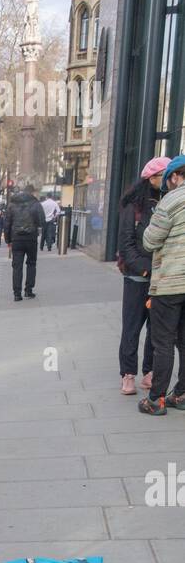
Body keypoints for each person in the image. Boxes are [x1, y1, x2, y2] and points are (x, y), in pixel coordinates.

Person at [117, 157, 170, 396]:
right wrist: (146, 269)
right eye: (163, 176)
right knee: (132, 327)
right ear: (151, 178)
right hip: (138, 278)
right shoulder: (134, 206)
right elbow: (126, 245)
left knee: (155, 329)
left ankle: (149, 372)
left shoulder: (169, 202)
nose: (168, 180)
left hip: (162, 278)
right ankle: (128, 374)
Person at [139, 155, 185, 415]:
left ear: (175, 177)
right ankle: (181, 394)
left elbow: (150, 240)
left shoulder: (171, 200)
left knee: (163, 342)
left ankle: (156, 400)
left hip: (170, 282)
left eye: (168, 180)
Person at [3, 181, 45, 300]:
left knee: (17, 266)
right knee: (31, 264)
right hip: (31, 238)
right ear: (32, 192)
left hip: (16, 239)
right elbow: (42, 220)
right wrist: (36, 227)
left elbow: (7, 223)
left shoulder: (12, 204)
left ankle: (17, 294)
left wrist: (8, 240)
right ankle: (28, 290)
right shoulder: (35, 203)